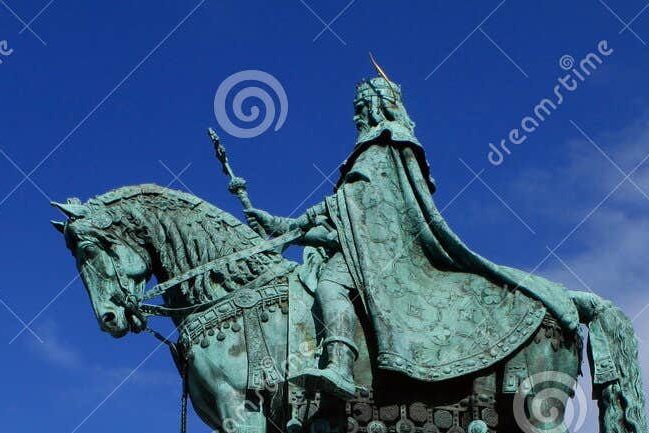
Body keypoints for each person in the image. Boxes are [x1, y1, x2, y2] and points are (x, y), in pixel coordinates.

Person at [245, 72, 577, 406]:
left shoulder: (385, 140)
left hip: (386, 252)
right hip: (369, 246)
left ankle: (340, 367)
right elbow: (349, 219)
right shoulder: (379, 146)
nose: (356, 114)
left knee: (331, 287)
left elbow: (354, 200)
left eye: (362, 106)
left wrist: (290, 223)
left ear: (378, 107)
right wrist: (283, 229)